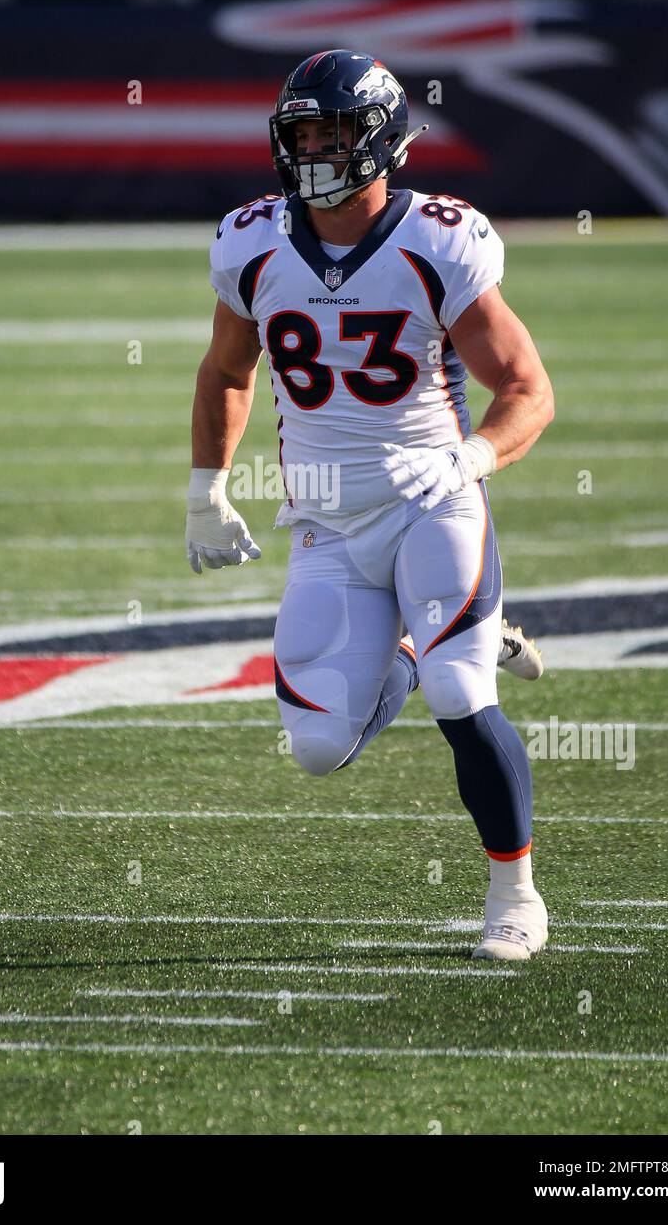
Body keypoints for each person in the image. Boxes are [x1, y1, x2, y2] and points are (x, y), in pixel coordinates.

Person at [186, 49, 553, 960]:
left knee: (460, 692)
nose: (313, 151)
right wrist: (205, 489)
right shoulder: (252, 239)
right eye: (301, 133)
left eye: (333, 133)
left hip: (433, 498)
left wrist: (473, 456)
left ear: (382, 139)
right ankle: (414, 638)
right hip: (325, 522)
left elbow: (528, 388)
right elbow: (230, 369)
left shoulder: (438, 240)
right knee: (316, 749)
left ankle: (516, 894)